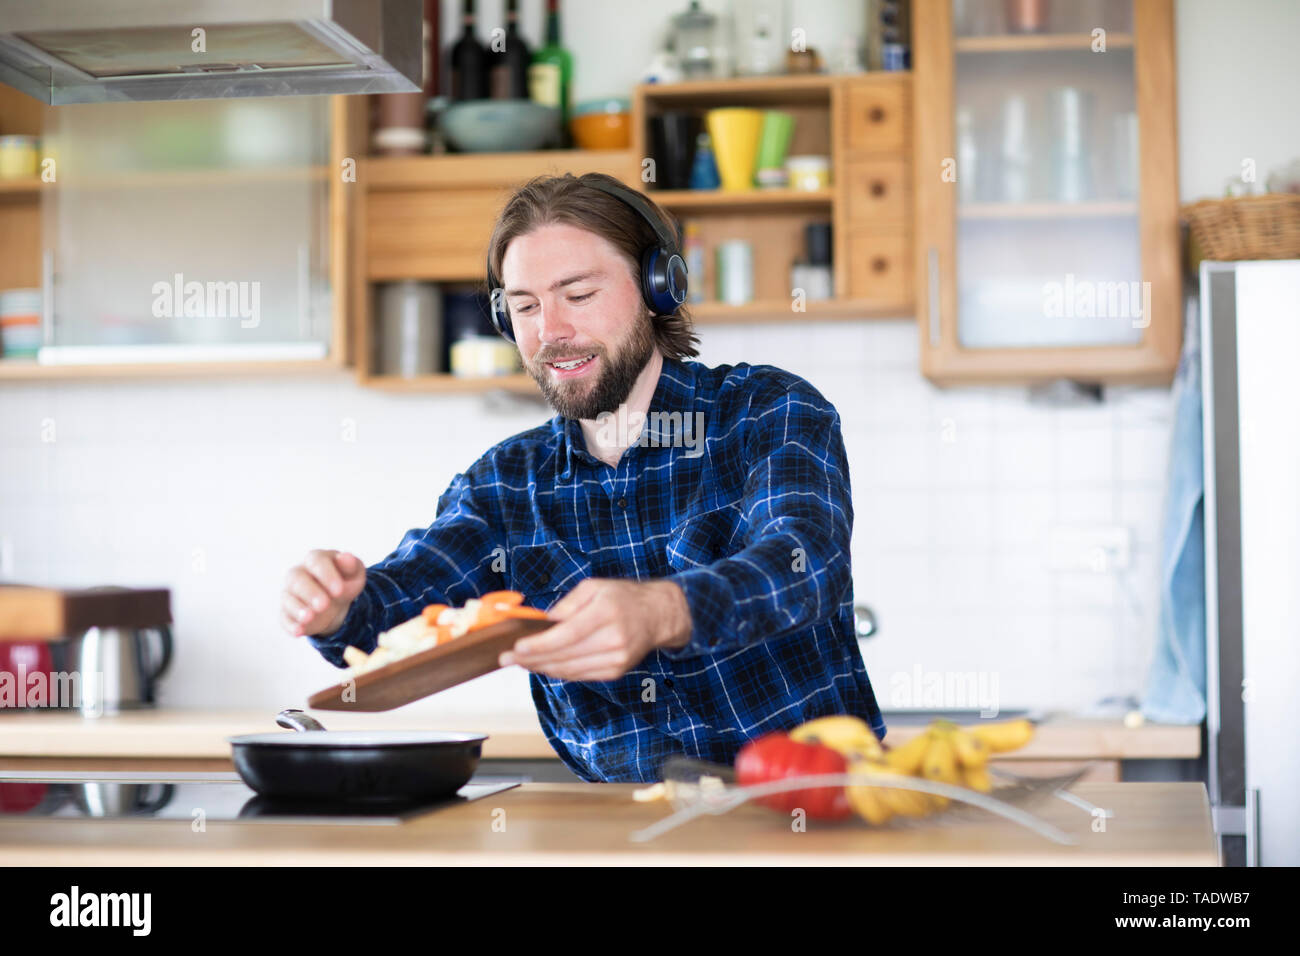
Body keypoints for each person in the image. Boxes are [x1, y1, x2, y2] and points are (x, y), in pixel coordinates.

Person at [280, 172, 885, 782]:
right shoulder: (504, 487)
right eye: (524, 306)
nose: (549, 331)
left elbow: (807, 562)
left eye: (578, 294)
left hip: (811, 817)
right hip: (625, 837)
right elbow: (395, 618)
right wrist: (335, 607)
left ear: (658, 287)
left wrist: (665, 611)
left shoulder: (767, 410)